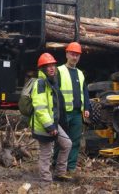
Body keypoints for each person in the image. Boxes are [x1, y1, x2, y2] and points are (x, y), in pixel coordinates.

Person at [31, 52, 73, 183]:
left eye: (53, 65)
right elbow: (40, 108)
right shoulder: (40, 84)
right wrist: (50, 126)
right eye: (47, 66)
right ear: (42, 69)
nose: (51, 68)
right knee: (46, 153)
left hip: (53, 123)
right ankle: (46, 181)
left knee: (67, 144)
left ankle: (60, 172)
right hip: (44, 125)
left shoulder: (52, 82)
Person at [54, 42, 91, 175]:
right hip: (63, 113)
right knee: (61, 141)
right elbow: (55, 92)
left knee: (75, 141)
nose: (74, 57)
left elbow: (84, 92)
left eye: (77, 55)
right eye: (72, 54)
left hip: (76, 113)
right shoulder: (59, 70)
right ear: (67, 54)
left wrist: (86, 107)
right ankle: (56, 165)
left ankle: (71, 167)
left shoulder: (80, 74)